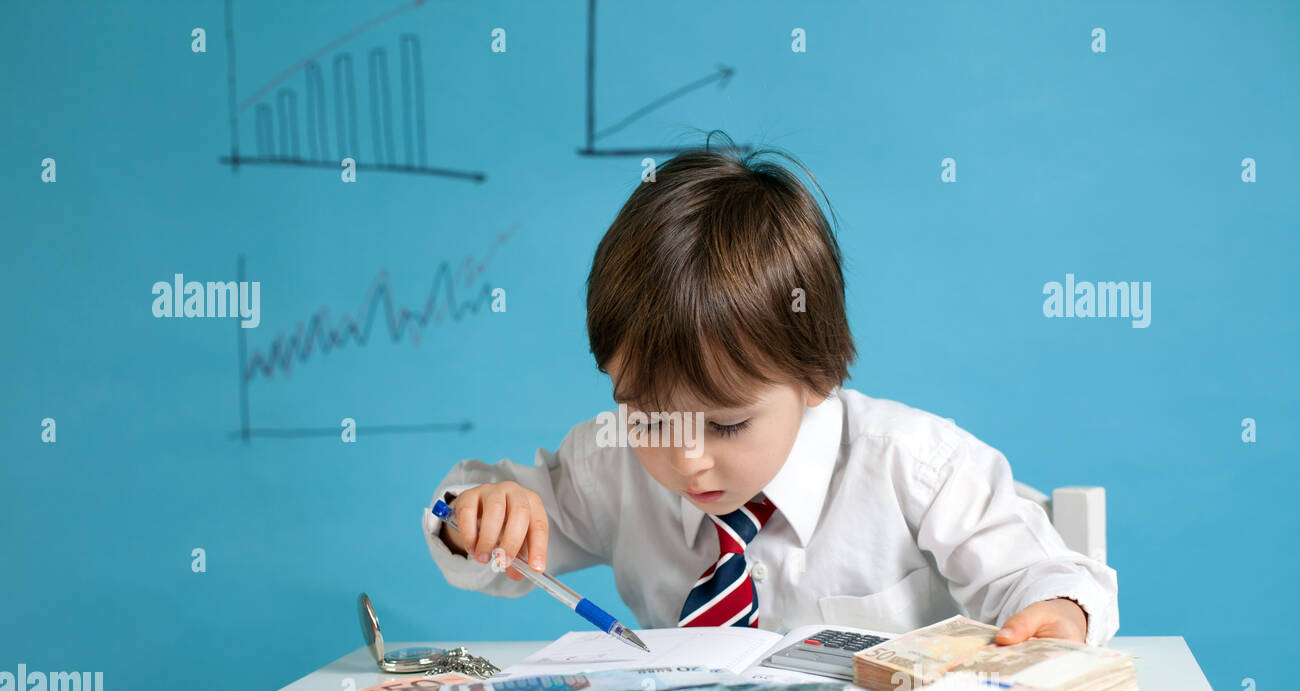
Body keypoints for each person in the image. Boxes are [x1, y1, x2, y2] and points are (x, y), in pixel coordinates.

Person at [422, 136, 1118, 647]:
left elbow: (1042, 574)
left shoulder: (914, 464)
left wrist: (1056, 614)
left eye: (726, 426)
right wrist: (476, 516)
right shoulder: (609, 466)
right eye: (651, 420)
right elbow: (473, 532)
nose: (687, 459)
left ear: (818, 375)